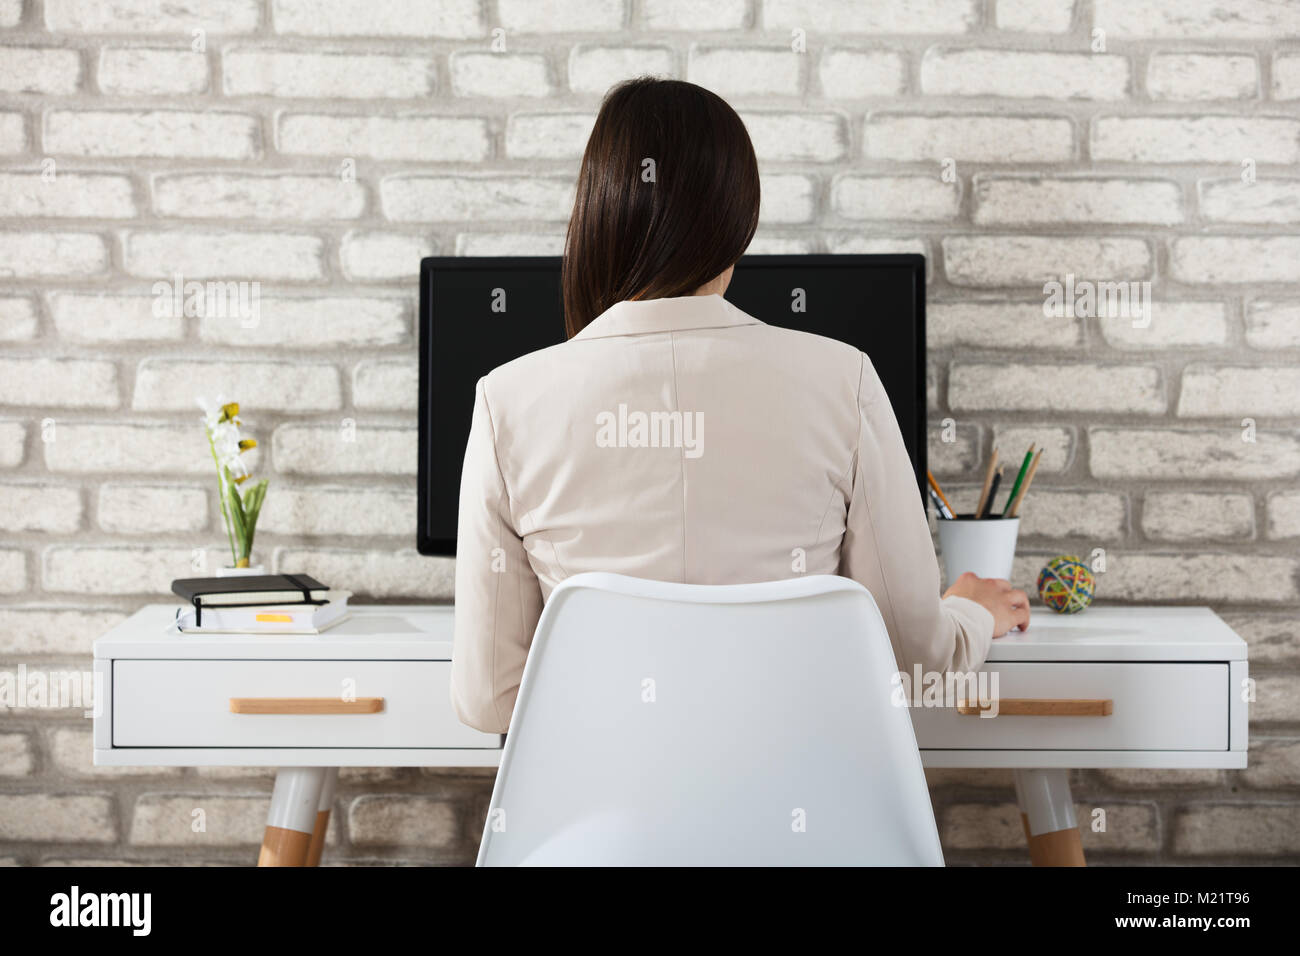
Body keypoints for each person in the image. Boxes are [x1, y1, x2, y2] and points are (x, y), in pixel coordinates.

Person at [450, 78, 1029, 734]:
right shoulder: (845, 380)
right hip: (800, 830)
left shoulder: (507, 400)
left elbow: (489, 699)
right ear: (739, 219)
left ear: (597, 213)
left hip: (593, 838)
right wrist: (973, 610)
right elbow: (912, 661)